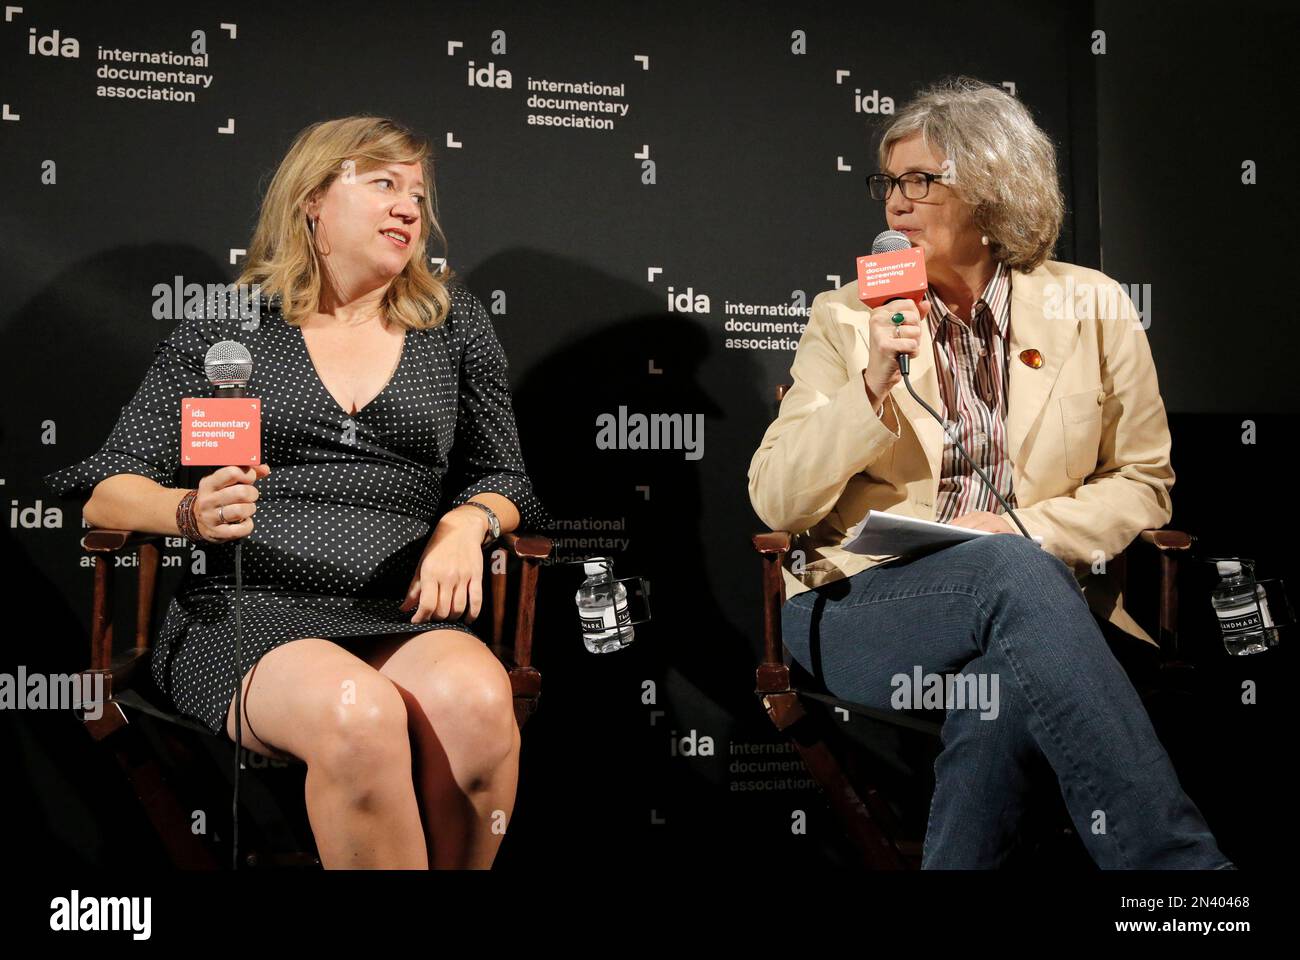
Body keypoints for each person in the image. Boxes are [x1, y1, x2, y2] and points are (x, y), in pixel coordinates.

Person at [747, 78, 1233, 869]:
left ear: (994, 188)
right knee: (1009, 575)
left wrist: (1016, 531)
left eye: (920, 181)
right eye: (888, 183)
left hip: (1041, 611)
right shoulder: (844, 319)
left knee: (1003, 688)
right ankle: (1182, 880)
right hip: (862, 602)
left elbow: (1144, 481)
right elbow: (776, 497)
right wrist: (873, 379)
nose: (895, 204)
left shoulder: (1094, 306)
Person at [45, 116, 548, 869]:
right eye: (382, 183)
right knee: (357, 715)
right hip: (248, 614)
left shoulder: (452, 324)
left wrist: (463, 526)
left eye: (417, 191)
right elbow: (107, 490)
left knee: (480, 705)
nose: (410, 207)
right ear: (313, 200)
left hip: (398, 612)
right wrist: (189, 511)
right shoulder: (229, 325)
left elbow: (507, 480)